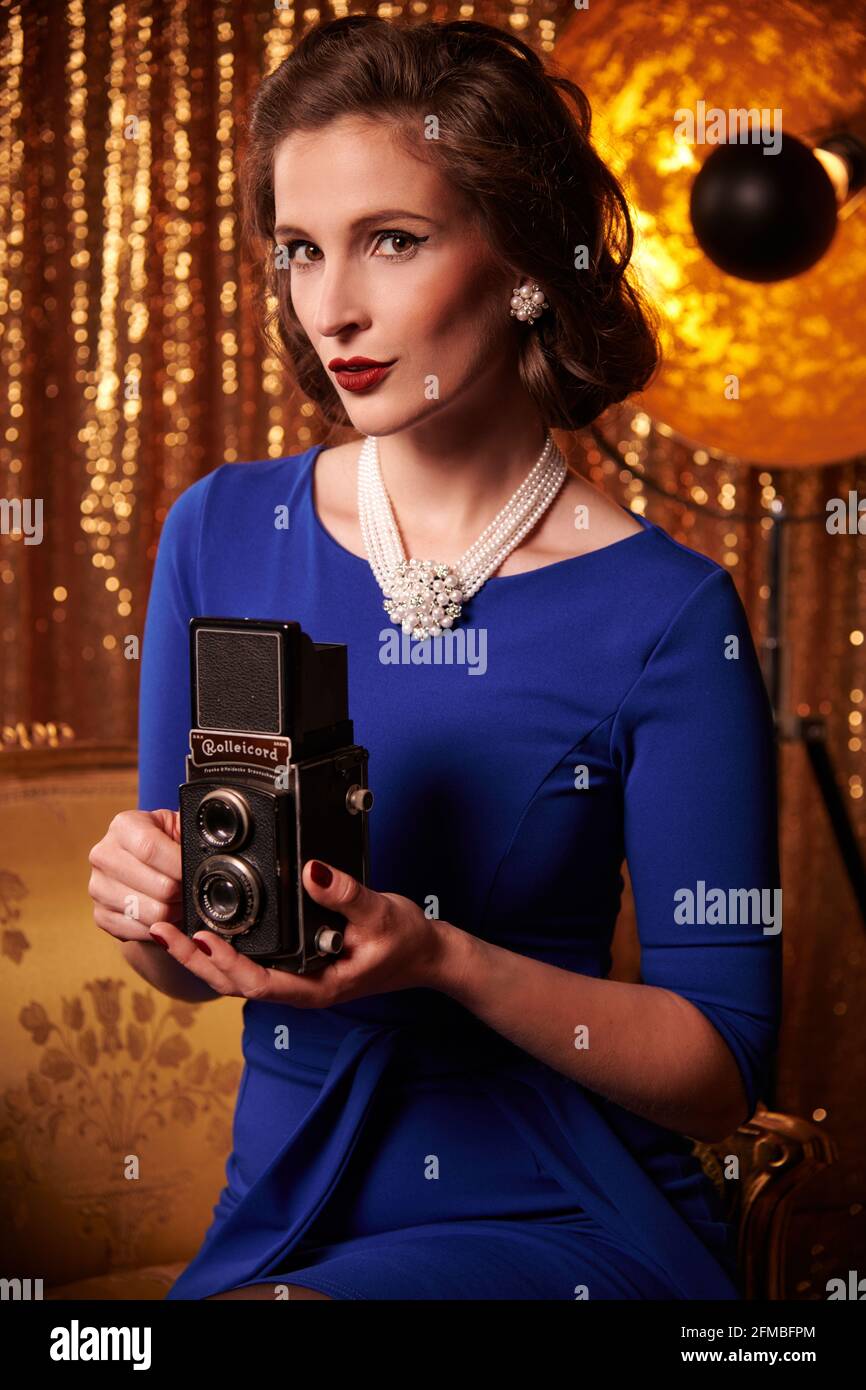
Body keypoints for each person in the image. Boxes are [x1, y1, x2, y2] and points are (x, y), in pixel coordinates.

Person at [87, 15, 782, 1301]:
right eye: (299, 251)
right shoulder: (223, 530)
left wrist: (442, 957)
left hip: (561, 1210)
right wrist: (144, 908)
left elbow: (720, 1064)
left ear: (521, 259)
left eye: (390, 241)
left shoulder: (670, 612)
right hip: (285, 1205)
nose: (332, 306)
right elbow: (192, 959)